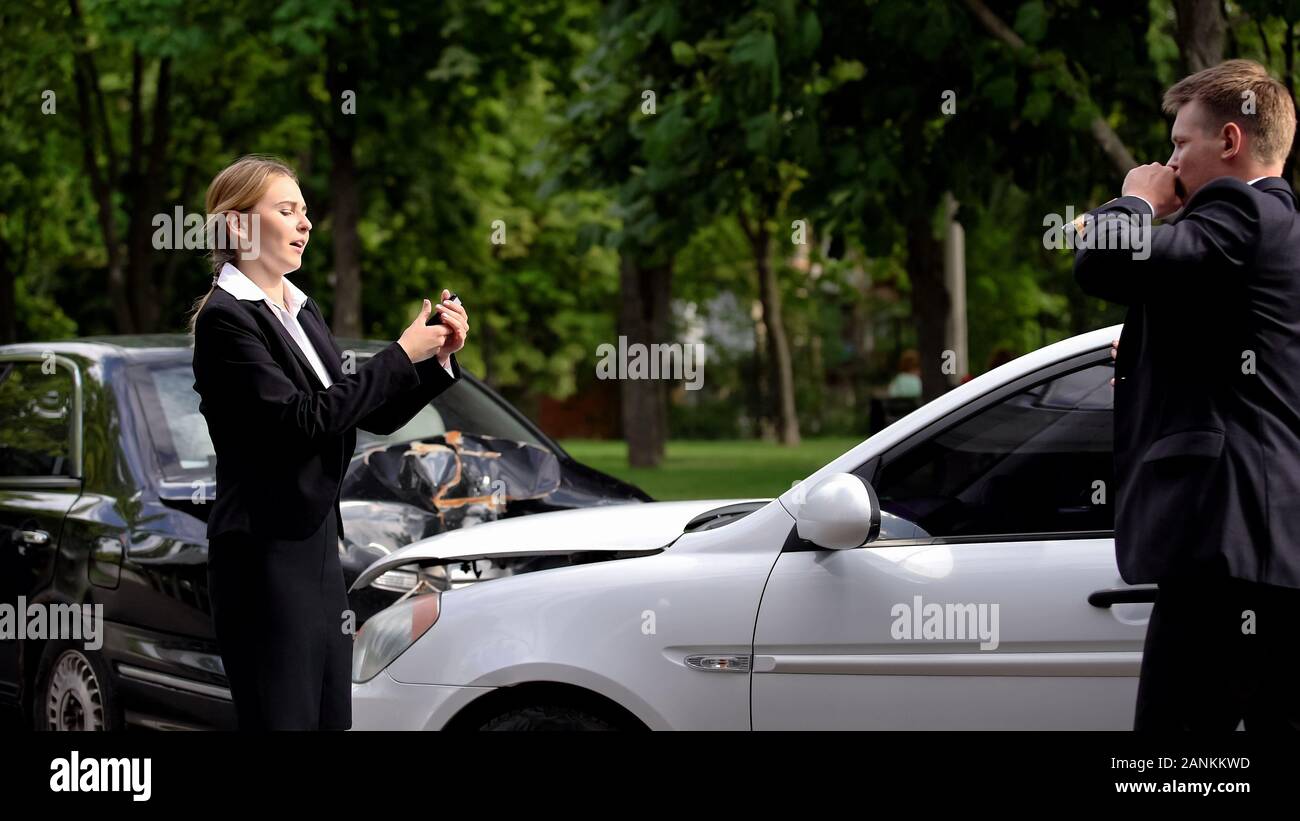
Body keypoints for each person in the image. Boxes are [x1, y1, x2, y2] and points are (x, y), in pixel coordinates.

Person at [188, 155, 470, 729]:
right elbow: (302, 421)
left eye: (306, 211)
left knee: (330, 722)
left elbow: (358, 411)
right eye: (287, 210)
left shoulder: (300, 307)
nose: (305, 223)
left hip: (317, 552)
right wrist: (399, 354)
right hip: (262, 560)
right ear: (239, 226)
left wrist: (434, 361)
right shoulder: (226, 320)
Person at [1074, 60, 1300, 730]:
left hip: (1225, 544)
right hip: (1267, 545)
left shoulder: (1241, 208)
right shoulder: (1279, 229)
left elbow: (1104, 259)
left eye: (1179, 144)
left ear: (1229, 141)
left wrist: (1137, 199)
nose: (1167, 160)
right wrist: (1150, 358)